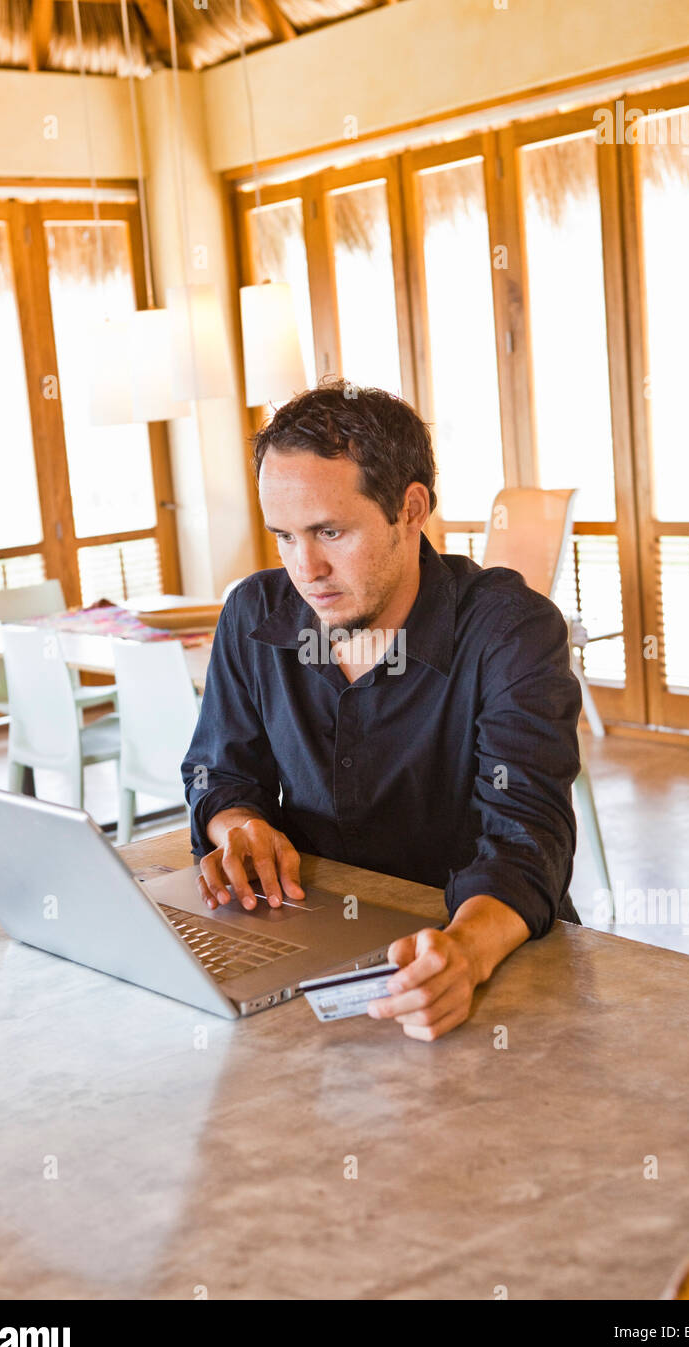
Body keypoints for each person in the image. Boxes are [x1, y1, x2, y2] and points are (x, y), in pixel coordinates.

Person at [182, 380, 582, 1041]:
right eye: (284, 536)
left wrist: (466, 951)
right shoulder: (254, 613)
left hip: (489, 959)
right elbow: (217, 772)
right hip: (312, 961)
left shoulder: (509, 632)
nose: (304, 568)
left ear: (411, 508)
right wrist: (236, 824)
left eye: (330, 531)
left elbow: (525, 840)